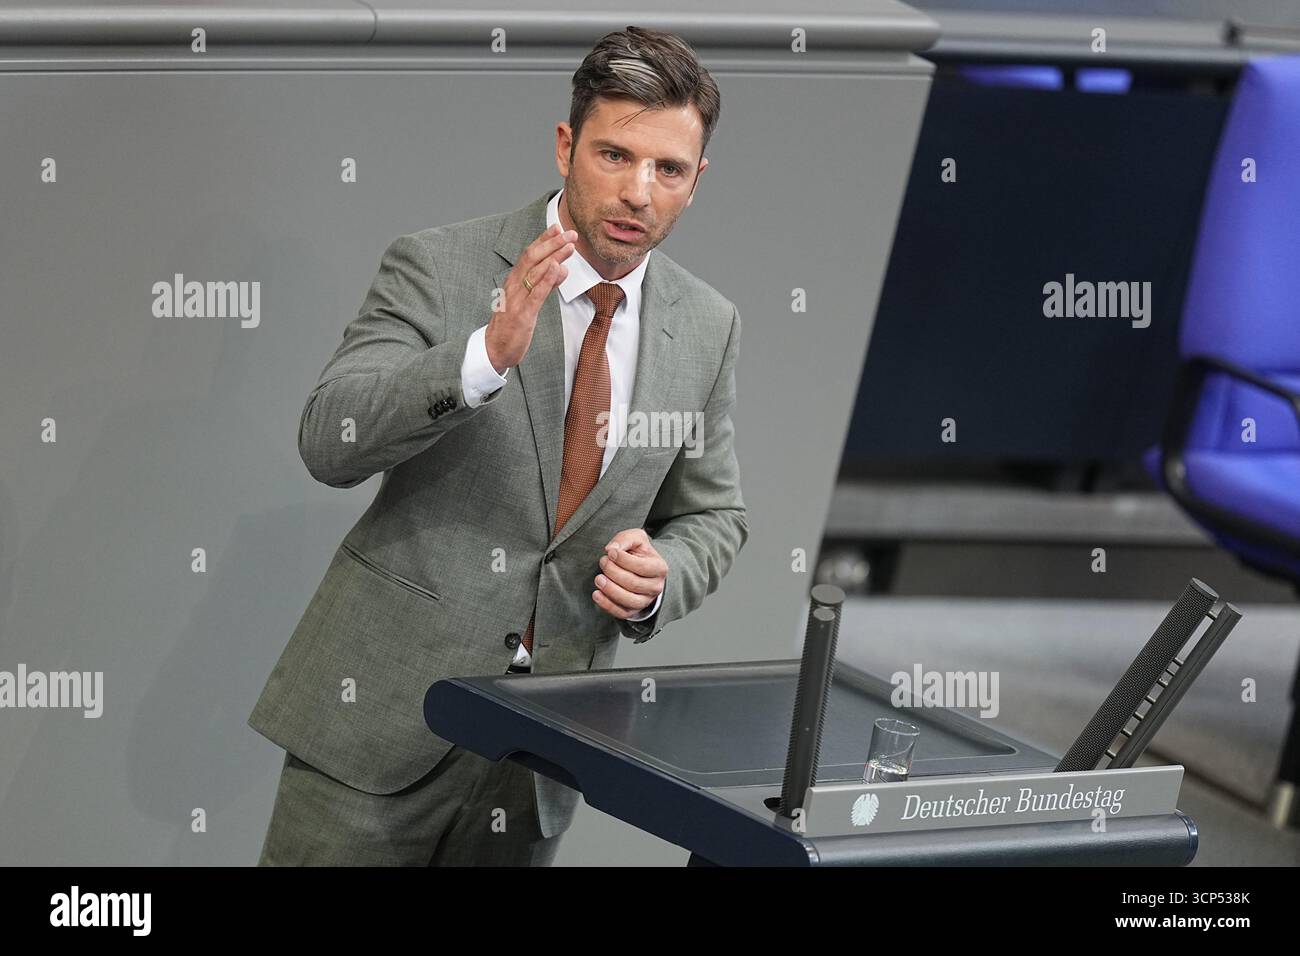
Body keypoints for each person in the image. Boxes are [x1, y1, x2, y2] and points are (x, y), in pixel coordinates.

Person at [249, 25, 747, 866]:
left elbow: (714, 516)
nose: (638, 192)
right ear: (565, 147)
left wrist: (662, 577)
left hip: (540, 754)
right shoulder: (439, 267)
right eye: (615, 156)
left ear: (696, 182)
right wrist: (482, 357)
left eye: (667, 169)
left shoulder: (707, 326)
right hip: (379, 725)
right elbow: (329, 441)